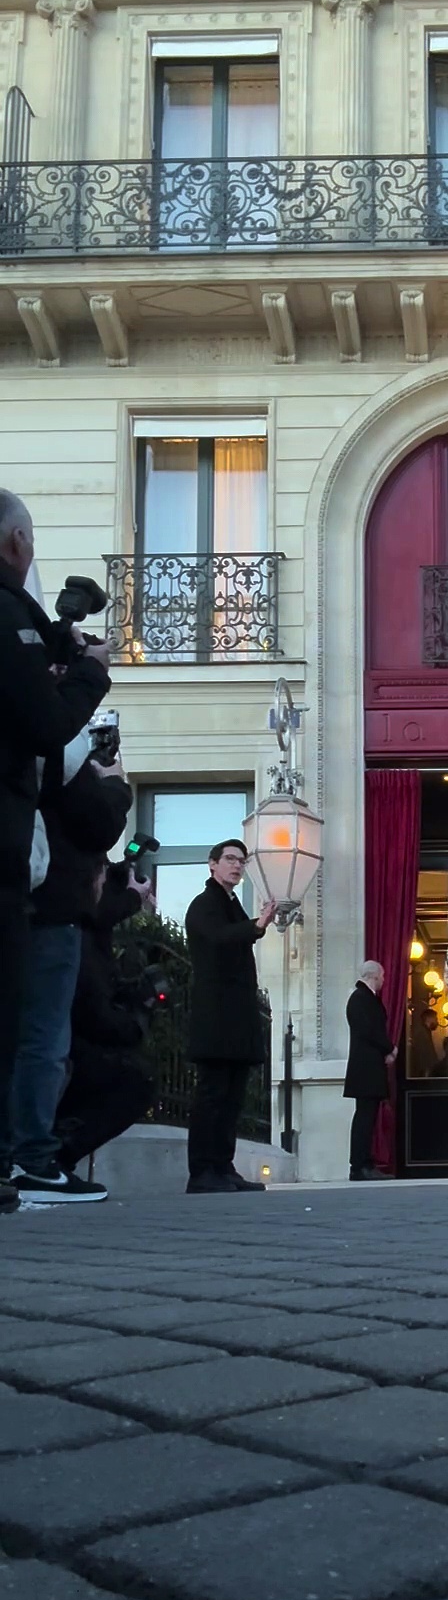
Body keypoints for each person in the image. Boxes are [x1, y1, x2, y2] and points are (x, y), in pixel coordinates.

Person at [0, 489, 112, 1213]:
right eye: (30, 540)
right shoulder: (10, 617)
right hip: (16, 864)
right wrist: (89, 676)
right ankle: (27, 1160)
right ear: (14, 542)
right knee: (25, 1027)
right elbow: (45, 728)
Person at [5, 730, 132, 1204]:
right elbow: (97, 823)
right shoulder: (54, 747)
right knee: (43, 1038)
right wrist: (116, 786)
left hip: (27, 901)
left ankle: (22, 1158)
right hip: (50, 905)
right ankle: (33, 1160)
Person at [52, 860, 155, 1184]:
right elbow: (92, 1009)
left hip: (75, 1042)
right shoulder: (79, 933)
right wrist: (133, 1027)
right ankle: (53, 1153)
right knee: (134, 1081)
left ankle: (51, 1153)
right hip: (74, 1045)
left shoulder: (91, 936)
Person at [184, 840, 275, 1194]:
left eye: (241, 861)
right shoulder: (204, 905)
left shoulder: (230, 904)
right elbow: (217, 938)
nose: (237, 866)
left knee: (233, 1095)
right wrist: (256, 926)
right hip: (216, 1016)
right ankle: (202, 1170)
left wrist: (254, 926)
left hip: (235, 1017)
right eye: (230, 860)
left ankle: (223, 1165)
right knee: (212, 1094)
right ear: (213, 864)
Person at [344, 959, 396, 1181]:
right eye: (382, 976)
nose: (384, 980)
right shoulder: (361, 999)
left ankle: (364, 1163)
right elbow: (369, 1031)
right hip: (366, 1067)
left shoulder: (364, 999)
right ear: (374, 976)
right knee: (365, 1117)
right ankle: (359, 1165)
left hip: (368, 1066)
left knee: (367, 1116)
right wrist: (390, 1048)